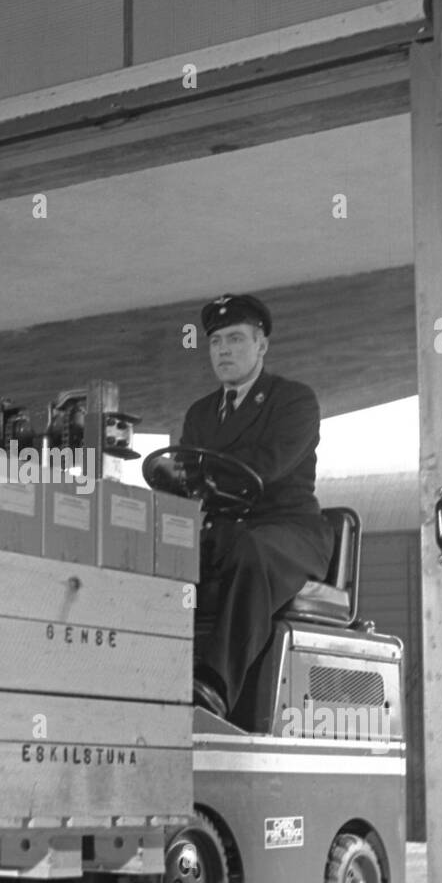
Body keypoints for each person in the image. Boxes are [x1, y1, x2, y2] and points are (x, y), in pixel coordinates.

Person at [181, 293, 334, 720]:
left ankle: (213, 684)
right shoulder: (200, 414)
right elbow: (186, 477)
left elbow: (268, 466)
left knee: (251, 551)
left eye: (235, 339)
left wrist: (204, 480)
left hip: (288, 532)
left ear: (261, 345)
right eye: (215, 342)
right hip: (225, 532)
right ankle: (151, 670)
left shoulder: (294, 401)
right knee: (159, 556)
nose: (223, 349)